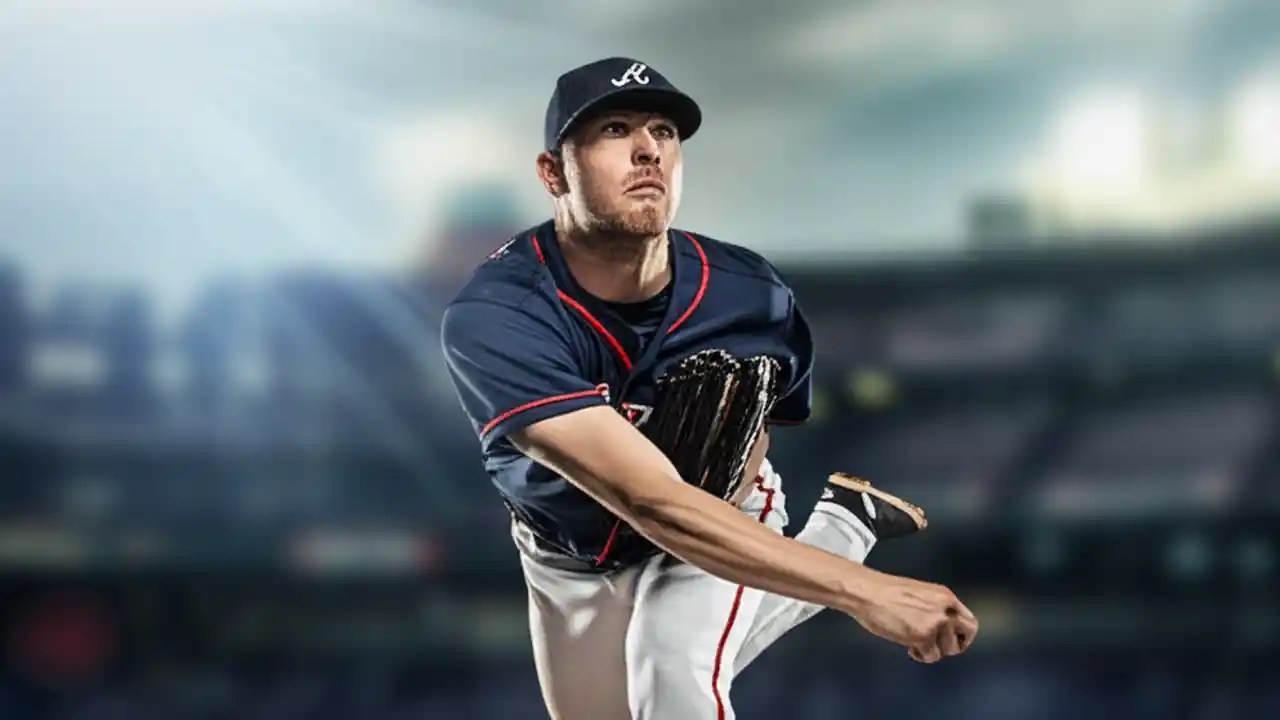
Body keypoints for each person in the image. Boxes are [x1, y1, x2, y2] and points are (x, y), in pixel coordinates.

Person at [440, 57, 978, 720]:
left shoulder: (749, 295)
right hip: (565, 546)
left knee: (670, 674)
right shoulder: (501, 314)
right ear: (553, 173)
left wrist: (726, 495)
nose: (648, 150)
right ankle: (843, 527)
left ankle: (829, 536)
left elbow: (766, 426)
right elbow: (648, 499)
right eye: (613, 129)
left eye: (664, 132)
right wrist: (863, 589)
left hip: (717, 504)